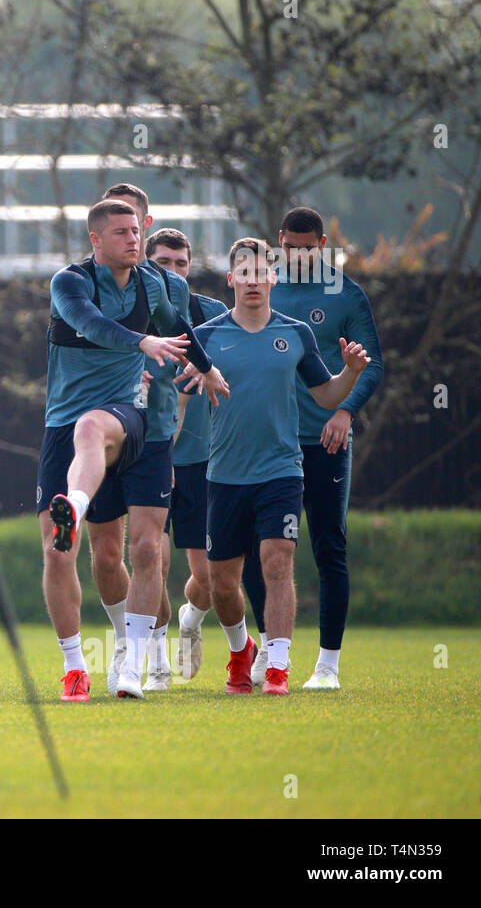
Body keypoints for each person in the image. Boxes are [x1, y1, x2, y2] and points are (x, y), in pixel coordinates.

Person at [38, 198, 228, 702]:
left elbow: (179, 324)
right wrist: (143, 342)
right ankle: (75, 668)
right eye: (120, 232)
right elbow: (92, 325)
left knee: (145, 546)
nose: (133, 239)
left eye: (135, 230)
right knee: (64, 555)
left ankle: (132, 665)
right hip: (61, 428)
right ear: (95, 240)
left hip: (130, 418)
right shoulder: (70, 283)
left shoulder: (152, 282)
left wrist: (205, 366)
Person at [182, 238, 370, 695]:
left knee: (277, 561)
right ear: (231, 280)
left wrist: (351, 373)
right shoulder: (205, 339)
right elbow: (179, 405)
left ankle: (280, 667)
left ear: (273, 278)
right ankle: (240, 651)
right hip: (223, 475)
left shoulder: (297, 334)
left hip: (282, 471)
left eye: (260, 273)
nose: (252, 281)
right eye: (242, 274)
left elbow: (325, 396)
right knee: (222, 584)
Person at [241, 207, 384, 689]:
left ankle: (327, 666)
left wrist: (345, 411)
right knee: (260, 551)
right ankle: (268, 650)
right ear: (280, 241)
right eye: (291, 247)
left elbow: (373, 364)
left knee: (329, 546)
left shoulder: (345, 293)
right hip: (269, 444)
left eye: (308, 248)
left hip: (325, 441)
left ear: (322, 246)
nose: (299, 255)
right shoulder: (263, 286)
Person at [144, 228, 230, 682]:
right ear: (147, 262)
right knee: (152, 563)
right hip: (150, 456)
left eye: (180, 263)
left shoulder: (212, 315)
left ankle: (190, 622)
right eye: (162, 263)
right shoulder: (136, 310)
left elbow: (233, 370)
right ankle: (156, 662)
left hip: (202, 459)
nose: (172, 271)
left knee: (212, 578)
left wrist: (207, 366)